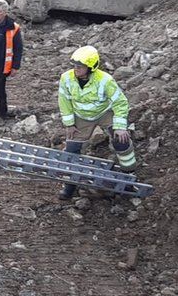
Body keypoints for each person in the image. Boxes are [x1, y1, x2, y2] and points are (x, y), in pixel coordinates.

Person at [57, 46, 138, 200]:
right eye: (74, 66)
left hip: (104, 112)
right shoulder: (66, 78)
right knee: (72, 148)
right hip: (82, 115)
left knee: (122, 140)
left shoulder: (105, 80)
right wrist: (69, 123)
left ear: (91, 67)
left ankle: (130, 176)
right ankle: (69, 185)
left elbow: (120, 102)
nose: (76, 69)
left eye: (80, 67)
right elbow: (64, 100)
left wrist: (120, 127)